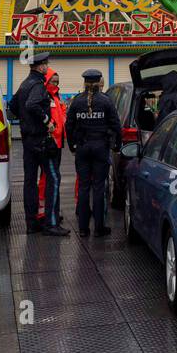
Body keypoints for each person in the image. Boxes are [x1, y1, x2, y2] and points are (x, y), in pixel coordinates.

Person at [10, 52, 68, 236]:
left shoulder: (24, 84)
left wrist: (26, 121)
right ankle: (51, 223)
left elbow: (12, 107)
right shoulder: (38, 85)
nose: (47, 67)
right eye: (45, 64)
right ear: (41, 67)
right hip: (42, 141)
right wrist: (46, 121)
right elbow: (32, 104)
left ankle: (31, 223)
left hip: (27, 140)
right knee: (53, 178)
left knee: (30, 181)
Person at [66, 69, 122, 238]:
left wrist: (72, 146)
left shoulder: (76, 101)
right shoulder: (106, 101)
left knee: (84, 187)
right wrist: (117, 144)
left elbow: (69, 125)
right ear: (99, 83)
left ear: (85, 83)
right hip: (100, 147)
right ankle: (99, 227)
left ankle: (83, 228)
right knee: (98, 188)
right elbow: (116, 125)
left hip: (82, 148)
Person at [37, 69, 67, 226]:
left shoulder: (56, 97)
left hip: (58, 144)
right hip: (50, 144)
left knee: (50, 178)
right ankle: (45, 214)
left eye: (57, 82)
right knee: (49, 178)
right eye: (52, 81)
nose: (55, 84)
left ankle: (51, 210)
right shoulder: (44, 97)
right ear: (46, 82)